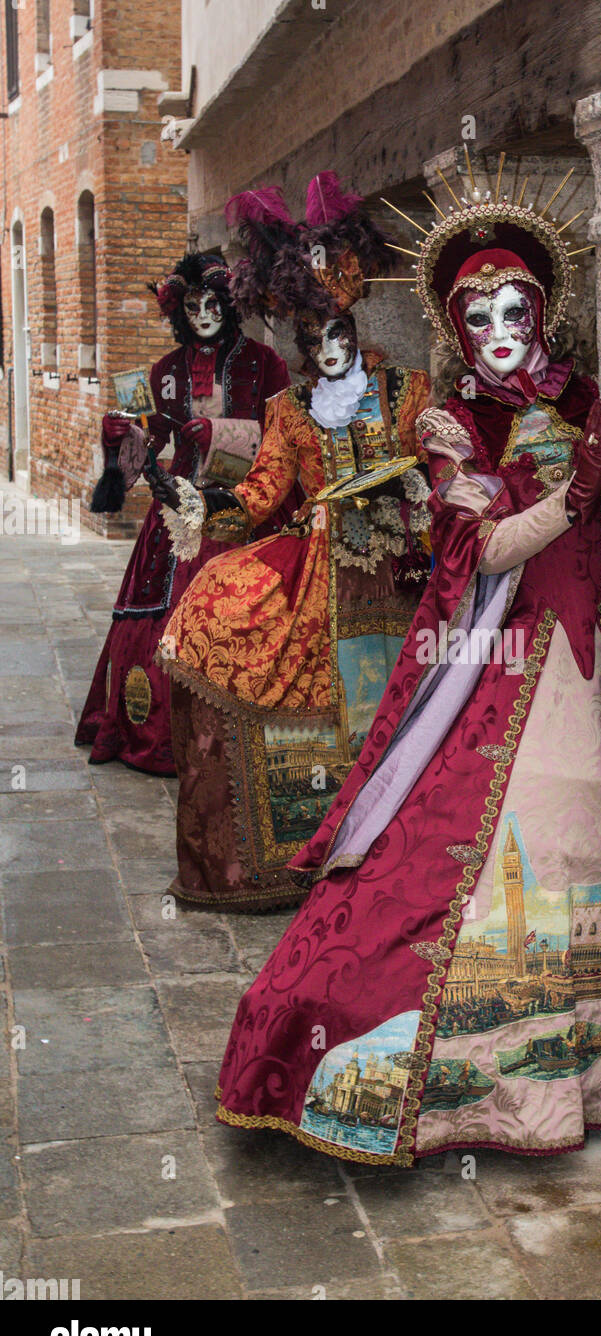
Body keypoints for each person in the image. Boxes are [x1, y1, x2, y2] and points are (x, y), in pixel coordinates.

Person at [215, 161, 601, 1164]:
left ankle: (574, 1081)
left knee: (571, 856)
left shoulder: (588, 400)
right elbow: (477, 549)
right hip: (497, 665)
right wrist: (567, 499)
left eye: (513, 305)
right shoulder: (447, 425)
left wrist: (583, 471)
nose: (496, 328)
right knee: (483, 863)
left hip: (585, 660)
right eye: (473, 314)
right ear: (452, 323)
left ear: (545, 304)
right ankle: (480, 1093)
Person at [150, 176, 432, 910]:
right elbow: (263, 492)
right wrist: (207, 504)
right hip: (317, 569)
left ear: (353, 324)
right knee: (212, 611)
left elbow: (444, 472)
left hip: (404, 571)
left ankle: (393, 853)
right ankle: (284, 860)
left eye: (334, 334)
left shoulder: (411, 393)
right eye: (310, 339)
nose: (324, 349)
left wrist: (425, 491)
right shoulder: (290, 410)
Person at [75, 250, 300, 774]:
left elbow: (286, 436)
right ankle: (157, 732)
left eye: (212, 302)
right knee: (160, 605)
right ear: (179, 312)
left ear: (228, 303)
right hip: (176, 508)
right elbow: (152, 442)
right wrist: (120, 438)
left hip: (247, 505)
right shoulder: (164, 370)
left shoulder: (266, 363)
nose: (203, 314)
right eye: (192, 305)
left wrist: (224, 435)